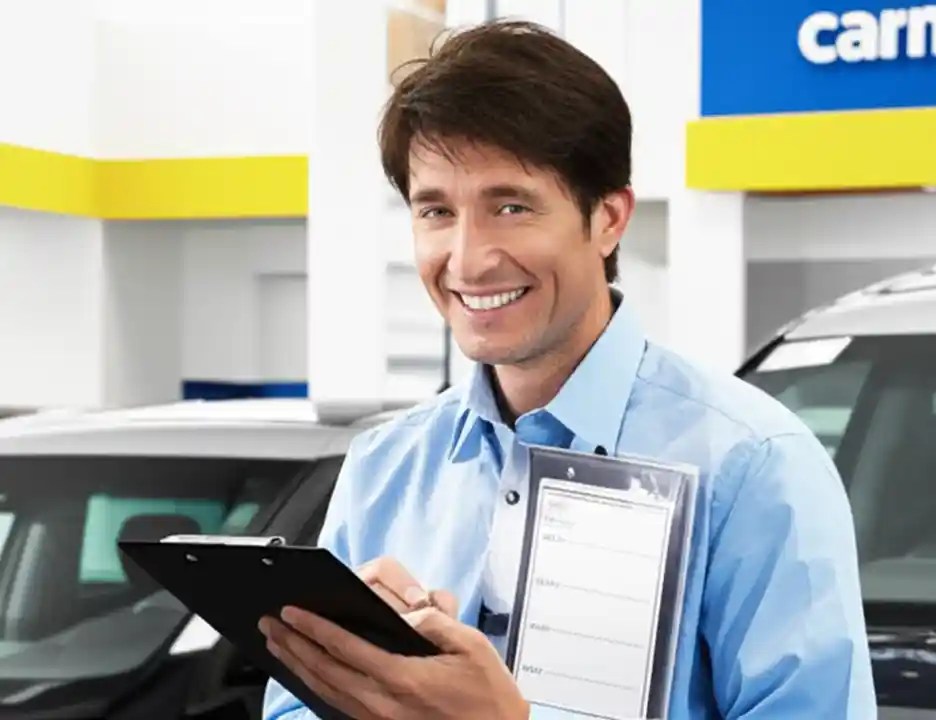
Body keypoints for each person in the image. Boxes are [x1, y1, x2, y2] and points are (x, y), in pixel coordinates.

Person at [258, 18, 876, 720]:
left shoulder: (753, 466)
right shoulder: (384, 468)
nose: (467, 259)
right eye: (436, 211)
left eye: (511, 207)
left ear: (608, 218)